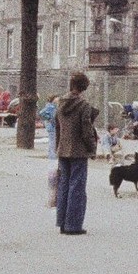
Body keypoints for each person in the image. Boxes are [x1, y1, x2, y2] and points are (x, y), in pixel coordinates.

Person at [53, 71, 99, 235]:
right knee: (77, 187)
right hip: (78, 151)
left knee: (63, 185)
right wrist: (92, 148)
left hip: (63, 149)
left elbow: (57, 127)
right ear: (83, 87)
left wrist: (58, 146)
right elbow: (86, 130)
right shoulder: (83, 105)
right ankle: (73, 224)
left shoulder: (60, 103)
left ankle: (62, 222)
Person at [39, 94, 59, 160]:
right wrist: (49, 118)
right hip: (52, 126)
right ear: (53, 99)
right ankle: (52, 156)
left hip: (51, 126)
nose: (58, 99)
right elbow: (41, 113)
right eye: (57, 98)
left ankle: (52, 155)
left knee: (52, 141)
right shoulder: (51, 106)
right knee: (52, 142)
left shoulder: (52, 106)